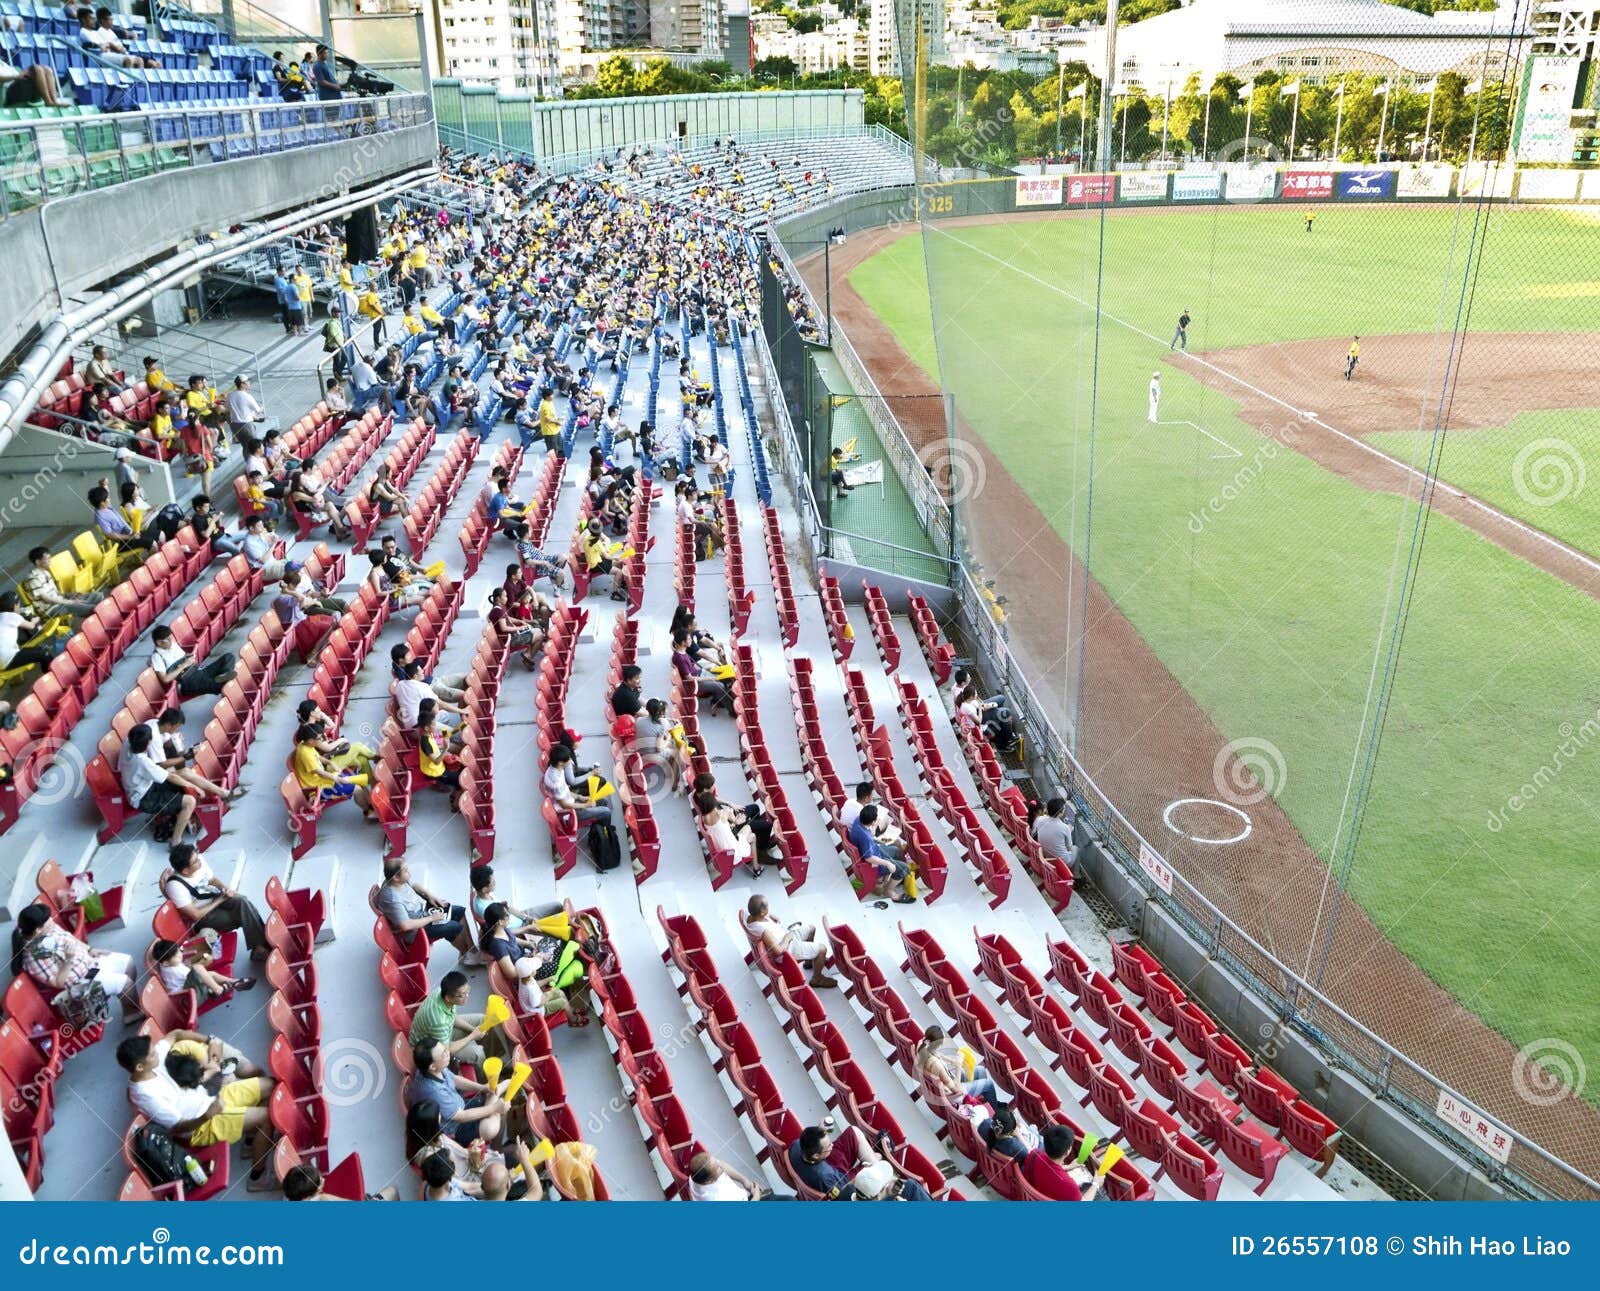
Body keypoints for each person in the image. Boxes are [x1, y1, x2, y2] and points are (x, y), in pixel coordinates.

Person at [115, 1032, 278, 1191]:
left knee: (270, 1085)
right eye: (152, 1054)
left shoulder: (152, 1063)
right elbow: (178, 1127)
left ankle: (251, 1140)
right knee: (265, 1117)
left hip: (211, 1097)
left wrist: (210, 1040)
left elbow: (175, 1034)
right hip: (201, 1126)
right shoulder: (146, 1095)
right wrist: (208, 1115)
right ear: (139, 1067)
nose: (157, 1052)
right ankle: (258, 1178)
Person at [14, 902, 140, 1023]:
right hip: (79, 986)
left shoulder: (48, 930)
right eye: (48, 920)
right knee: (125, 983)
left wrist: (90, 949)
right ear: (38, 930)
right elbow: (58, 983)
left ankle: (129, 1003)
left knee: (128, 962)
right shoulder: (35, 957)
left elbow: (70, 939)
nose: (52, 920)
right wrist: (68, 959)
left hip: (90, 963)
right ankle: (132, 1014)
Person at [121, 723, 237, 841]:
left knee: (185, 772)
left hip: (147, 783)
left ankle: (223, 793)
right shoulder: (142, 761)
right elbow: (170, 776)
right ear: (148, 743)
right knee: (189, 801)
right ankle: (176, 842)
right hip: (144, 798)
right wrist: (193, 786)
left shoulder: (129, 745)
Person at [163, 843, 270, 961]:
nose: (199, 861)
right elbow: (195, 915)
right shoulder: (175, 886)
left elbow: (212, 880)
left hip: (214, 897)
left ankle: (259, 946)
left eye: (197, 857)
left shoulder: (199, 862)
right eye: (195, 861)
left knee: (242, 901)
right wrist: (219, 900)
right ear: (185, 871)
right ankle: (261, 946)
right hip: (203, 916)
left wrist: (225, 889)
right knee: (242, 914)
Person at [787, 1124, 930, 1201]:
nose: (832, 1145)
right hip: (838, 1181)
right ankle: (879, 1169)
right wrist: (863, 1170)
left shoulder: (797, 1145)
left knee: (852, 1132)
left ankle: (877, 1161)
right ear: (816, 1154)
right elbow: (849, 1190)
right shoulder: (827, 1178)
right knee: (911, 1186)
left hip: (825, 1166)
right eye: (828, 1146)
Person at [377, 858, 481, 964]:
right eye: (406, 871)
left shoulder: (395, 881)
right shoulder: (392, 898)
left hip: (424, 912)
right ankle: (466, 955)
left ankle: (472, 950)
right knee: (454, 927)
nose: (409, 873)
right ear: (396, 877)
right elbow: (405, 925)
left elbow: (414, 885)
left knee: (459, 911)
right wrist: (432, 918)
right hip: (417, 930)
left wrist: (430, 896)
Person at [407, 1041, 507, 1146]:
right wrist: (494, 1108)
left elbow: (454, 1079)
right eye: (443, 1054)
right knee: (491, 1127)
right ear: (432, 1066)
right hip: (455, 1128)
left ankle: (497, 1145)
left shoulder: (432, 1069)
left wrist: (481, 1088)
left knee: (497, 1101)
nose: (448, 1052)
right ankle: (496, 1145)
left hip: (460, 1106)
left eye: (445, 1049)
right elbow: (461, 1116)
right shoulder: (434, 1092)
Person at [409, 970, 505, 1070]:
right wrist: (472, 1036)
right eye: (462, 995)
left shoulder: (441, 992)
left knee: (482, 1021)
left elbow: (452, 1016)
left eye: (467, 991)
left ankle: (496, 1061)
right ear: (448, 998)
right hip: (430, 1047)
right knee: (478, 1053)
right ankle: (486, 1076)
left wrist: (473, 1029)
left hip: (443, 1031)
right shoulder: (439, 1021)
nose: (467, 996)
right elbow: (447, 1049)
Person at [740, 894, 835, 989]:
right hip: (787, 949)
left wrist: (769, 916)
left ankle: (809, 962)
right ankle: (817, 978)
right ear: (762, 912)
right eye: (767, 907)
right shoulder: (763, 931)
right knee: (822, 949)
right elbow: (778, 951)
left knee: (811, 929)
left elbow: (755, 912)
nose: (769, 908)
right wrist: (787, 938)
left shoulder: (747, 915)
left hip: (785, 937)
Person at [292, 722, 376, 819]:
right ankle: (368, 812)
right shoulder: (305, 754)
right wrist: (338, 779)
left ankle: (373, 806)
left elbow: (319, 758)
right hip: (318, 788)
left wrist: (331, 763)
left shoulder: (306, 745)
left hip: (324, 780)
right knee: (357, 789)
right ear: (311, 740)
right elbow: (320, 773)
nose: (322, 739)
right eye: (319, 738)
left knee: (359, 782)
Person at [914, 1024, 1001, 1105]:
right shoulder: (936, 1065)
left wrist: (953, 1061)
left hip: (945, 1082)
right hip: (954, 1096)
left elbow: (939, 1055)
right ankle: (995, 1109)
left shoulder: (923, 1049)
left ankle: (982, 1099)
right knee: (988, 1084)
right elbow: (956, 1090)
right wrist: (958, 1067)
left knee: (980, 1070)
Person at [151, 936, 254, 1004]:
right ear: (166, 962)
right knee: (198, 968)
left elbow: (192, 975)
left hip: (191, 988)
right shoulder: (173, 971)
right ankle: (219, 990)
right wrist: (202, 963)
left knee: (210, 974)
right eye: (176, 956)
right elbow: (195, 973)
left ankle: (234, 981)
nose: (180, 955)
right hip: (189, 998)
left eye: (178, 951)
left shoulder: (167, 964)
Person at [150, 622, 234, 698]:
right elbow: (165, 679)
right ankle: (223, 679)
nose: (171, 641)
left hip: (198, 671)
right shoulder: (157, 657)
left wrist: (189, 656)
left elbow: (184, 657)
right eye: (168, 640)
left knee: (228, 657)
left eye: (171, 638)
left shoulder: (173, 645)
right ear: (159, 642)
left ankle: (223, 676)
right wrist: (184, 665)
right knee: (219, 685)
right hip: (187, 681)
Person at [848, 805, 913, 903]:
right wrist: (887, 863)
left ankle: (891, 875)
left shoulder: (859, 820)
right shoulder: (866, 838)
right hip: (872, 864)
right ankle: (888, 890)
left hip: (875, 850)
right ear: (872, 821)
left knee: (896, 850)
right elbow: (869, 858)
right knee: (905, 868)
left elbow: (870, 834)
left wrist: (874, 826)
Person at [1022, 1123, 1102, 1201]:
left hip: (1027, 1196)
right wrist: (1096, 1183)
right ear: (1067, 1152)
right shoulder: (1069, 1186)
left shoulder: (1034, 1154)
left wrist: (1068, 1167)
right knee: (1101, 1194)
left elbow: (1048, 1168)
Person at [21, 545, 101, 617]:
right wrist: (70, 602)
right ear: (38, 562)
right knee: (92, 608)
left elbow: (56, 593)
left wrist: (68, 595)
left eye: (50, 558)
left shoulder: (46, 573)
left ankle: (87, 606)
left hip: (61, 601)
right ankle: (90, 611)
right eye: (47, 559)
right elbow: (47, 599)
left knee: (97, 596)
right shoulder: (33, 579)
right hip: (51, 609)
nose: (50, 561)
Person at [542, 744, 611, 825]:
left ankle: (598, 825)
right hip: (570, 812)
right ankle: (604, 829)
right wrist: (585, 805)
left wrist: (580, 797)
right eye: (568, 759)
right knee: (606, 811)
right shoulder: (556, 782)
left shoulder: (557, 769)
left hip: (572, 800)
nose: (570, 760)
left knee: (603, 800)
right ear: (560, 763)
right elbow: (564, 805)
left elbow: (565, 790)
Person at [0, 591, 57, 672]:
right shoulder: (12, 616)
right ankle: (55, 674)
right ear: (15, 606)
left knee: (39, 650)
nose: (19, 606)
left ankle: (51, 674)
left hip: (4, 658)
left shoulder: (2, 616)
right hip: (6, 659)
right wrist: (35, 619)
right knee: (44, 653)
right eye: (18, 604)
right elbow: (31, 626)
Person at [687, 1151, 768, 1201]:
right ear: (710, 1180)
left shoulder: (694, 1176)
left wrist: (744, 1180)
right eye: (718, 1167)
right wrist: (756, 1196)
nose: (720, 1165)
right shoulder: (717, 1198)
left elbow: (721, 1164)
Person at [1032, 797, 1078, 869]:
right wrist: (1068, 831)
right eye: (1063, 809)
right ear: (1060, 813)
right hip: (1061, 862)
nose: (1064, 810)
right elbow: (1070, 849)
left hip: (1046, 857)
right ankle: (1072, 873)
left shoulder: (1039, 819)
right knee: (1076, 849)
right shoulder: (1065, 828)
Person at [0, 56, 65, 107]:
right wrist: (17, 77)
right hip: (10, 92)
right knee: (36, 68)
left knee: (47, 69)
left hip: (19, 82)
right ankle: (48, 101)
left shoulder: (2, 63)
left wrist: (24, 73)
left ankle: (54, 101)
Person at [225, 375, 266, 442]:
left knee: (244, 445)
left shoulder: (229, 395)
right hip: (247, 425)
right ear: (242, 384)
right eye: (247, 381)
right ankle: (255, 418)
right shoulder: (247, 396)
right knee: (253, 445)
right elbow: (258, 410)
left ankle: (255, 418)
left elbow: (227, 409)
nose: (249, 382)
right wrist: (262, 407)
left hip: (235, 425)